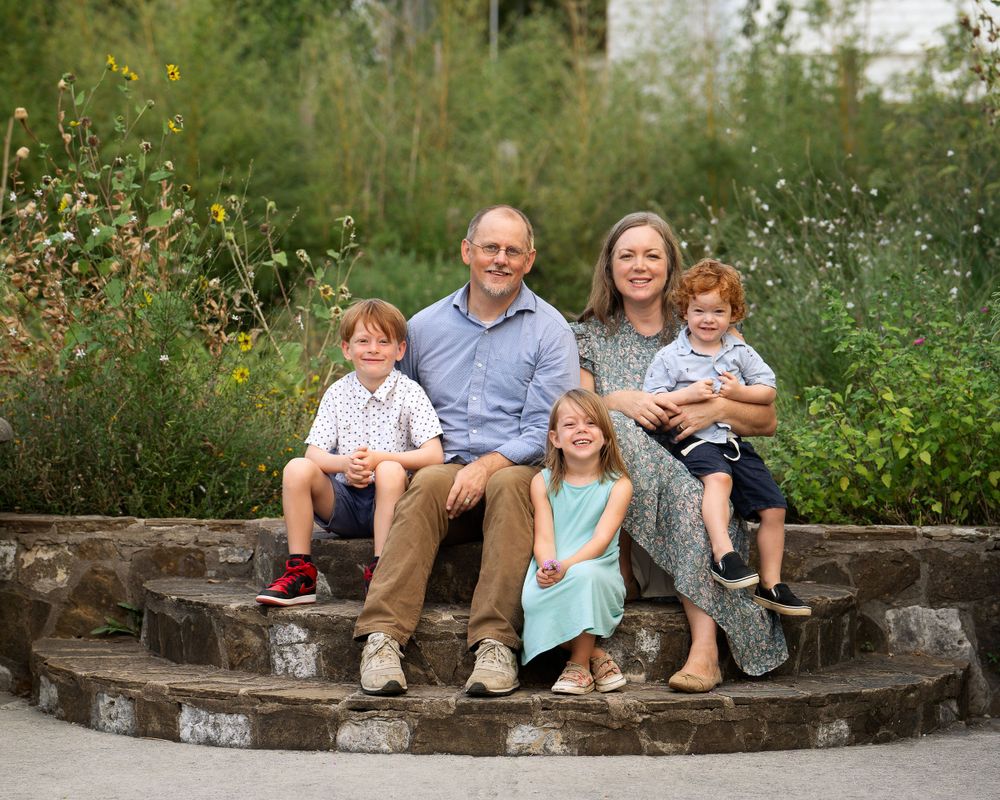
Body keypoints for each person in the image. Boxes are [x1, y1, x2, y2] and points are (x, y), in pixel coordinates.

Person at [353, 205, 580, 696]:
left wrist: (486, 465)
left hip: (517, 474)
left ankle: (497, 644)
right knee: (432, 480)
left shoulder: (551, 332)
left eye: (512, 250)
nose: (500, 259)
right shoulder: (424, 328)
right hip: (445, 475)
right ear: (467, 251)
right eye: (489, 248)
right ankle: (382, 637)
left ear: (529, 259)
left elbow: (547, 430)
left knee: (509, 482)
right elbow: (398, 409)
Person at [572, 211, 788, 693]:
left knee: (702, 488)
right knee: (619, 431)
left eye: (653, 254)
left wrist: (715, 411)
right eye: (626, 255)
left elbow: (766, 420)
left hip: (696, 475)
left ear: (670, 265)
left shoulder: (707, 325)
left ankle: (705, 651)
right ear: (609, 268)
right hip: (624, 496)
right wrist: (617, 400)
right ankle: (626, 569)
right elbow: (576, 415)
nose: (639, 265)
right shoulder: (586, 336)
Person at [642, 259, 811, 616]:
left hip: (731, 441)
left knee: (774, 506)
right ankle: (724, 556)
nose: (707, 319)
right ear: (684, 311)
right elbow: (653, 402)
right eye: (698, 310)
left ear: (733, 314)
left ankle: (772, 584)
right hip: (691, 440)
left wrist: (736, 393)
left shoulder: (739, 352)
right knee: (717, 479)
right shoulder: (671, 356)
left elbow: (767, 391)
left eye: (718, 311)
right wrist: (688, 396)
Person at [255, 299, 444, 606]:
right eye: (363, 341)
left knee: (390, 470)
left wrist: (382, 459)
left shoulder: (409, 393)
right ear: (346, 349)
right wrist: (344, 464)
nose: (373, 349)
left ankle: (381, 570)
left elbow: (434, 454)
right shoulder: (338, 393)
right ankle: (301, 574)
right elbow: (314, 454)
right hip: (344, 503)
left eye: (384, 341)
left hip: (393, 503)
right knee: (296, 468)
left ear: (400, 350)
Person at [520, 389, 632, 695]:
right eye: (570, 425)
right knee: (531, 598)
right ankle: (597, 655)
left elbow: (600, 540)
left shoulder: (618, 485)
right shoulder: (541, 482)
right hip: (556, 566)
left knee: (584, 579)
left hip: (597, 571)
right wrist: (548, 566)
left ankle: (579, 666)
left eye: (591, 423)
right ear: (555, 438)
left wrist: (567, 566)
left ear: (606, 436)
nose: (581, 429)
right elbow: (544, 537)